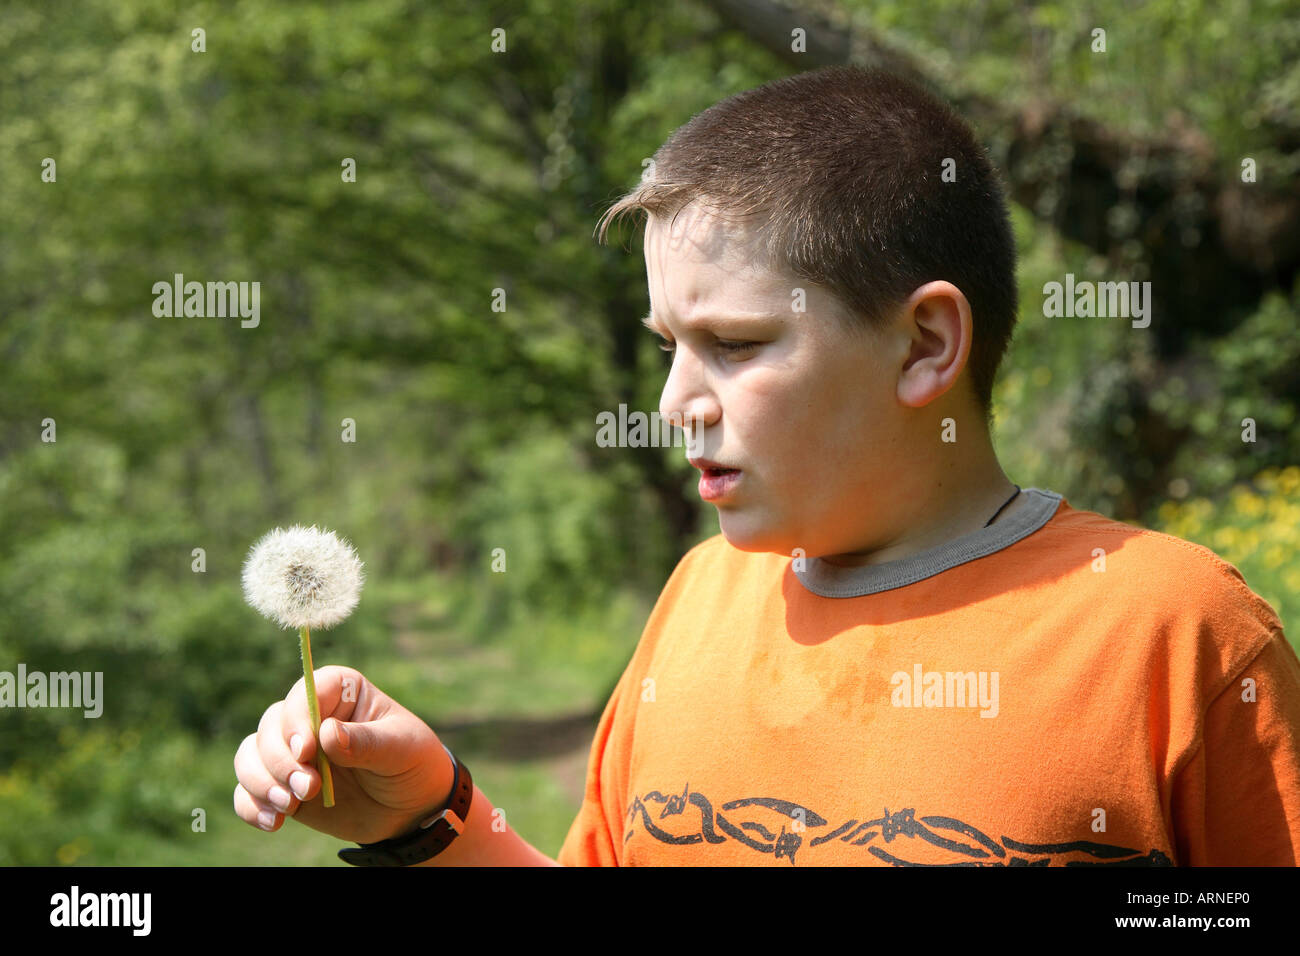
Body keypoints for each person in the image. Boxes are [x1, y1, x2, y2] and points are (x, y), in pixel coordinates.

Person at [233, 65, 1300, 866]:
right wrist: (430, 818)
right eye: (667, 346)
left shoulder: (1174, 633)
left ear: (925, 343)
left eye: (736, 345)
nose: (674, 402)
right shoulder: (700, 593)